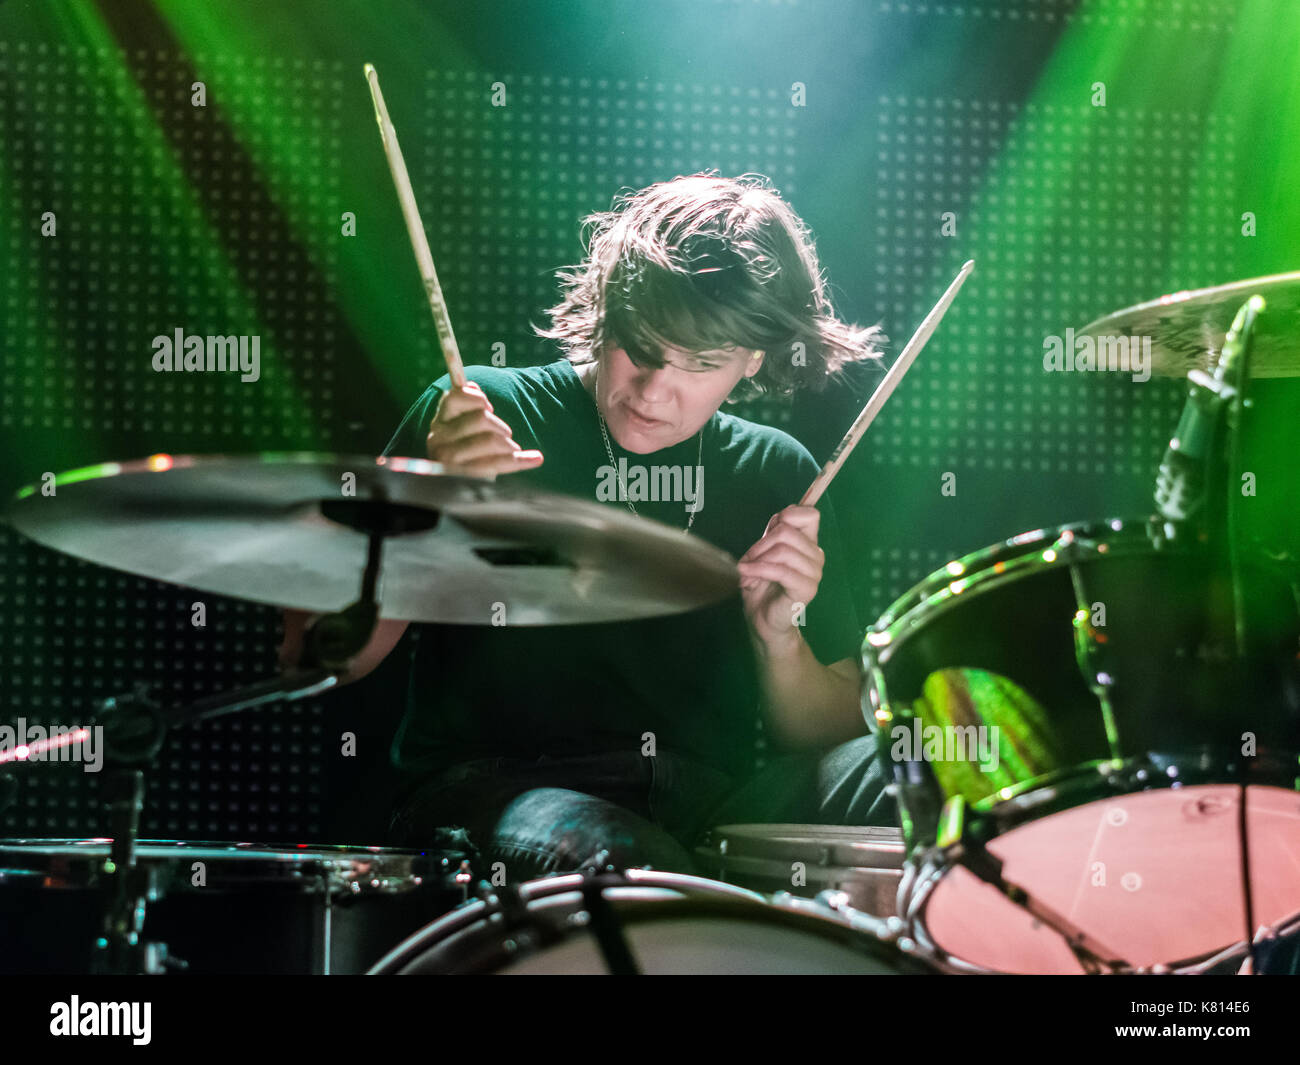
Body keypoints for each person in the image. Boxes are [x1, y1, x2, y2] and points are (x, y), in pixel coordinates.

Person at [279, 172, 899, 882]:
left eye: (702, 363)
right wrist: (427, 508)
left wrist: (778, 638)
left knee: (907, 773)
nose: (654, 389)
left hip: (707, 803)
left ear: (753, 358)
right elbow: (320, 654)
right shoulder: (481, 412)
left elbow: (822, 732)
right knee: (631, 861)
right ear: (609, 308)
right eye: (642, 346)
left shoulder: (774, 470)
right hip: (497, 789)